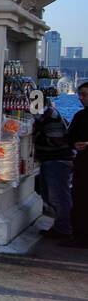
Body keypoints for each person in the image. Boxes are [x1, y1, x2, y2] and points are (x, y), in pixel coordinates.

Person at [34, 88, 75, 238]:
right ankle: (60, 226)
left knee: (57, 196)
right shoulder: (48, 114)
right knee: (51, 195)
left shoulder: (48, 115)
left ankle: (64, 228)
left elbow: (57, 140)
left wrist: (38, 137)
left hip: (57, 160)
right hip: (52, 160)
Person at [65, 82, 88, 248]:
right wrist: (75, 144)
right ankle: (79, 235)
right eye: (80, 94)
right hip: (83, 165)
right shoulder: (80, 116)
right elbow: (69, 137)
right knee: (79, 199)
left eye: (85, 94)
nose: (81, 98)